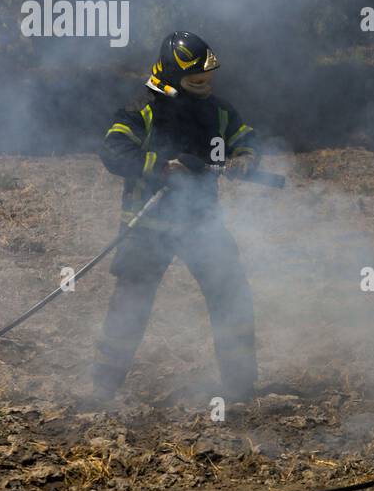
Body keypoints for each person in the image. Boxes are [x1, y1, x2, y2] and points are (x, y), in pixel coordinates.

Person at [91, 31, 260, 405]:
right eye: (195, 81)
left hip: (202, 226)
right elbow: (113, 151)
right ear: (171, 78)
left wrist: (246, 159)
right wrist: (163, 169)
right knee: (129, 308)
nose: (205, 87)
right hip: (147, 229)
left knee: (231, 295)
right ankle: (101, 391)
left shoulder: (219, 112)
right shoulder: (142, 109)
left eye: (207, 80)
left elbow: (246, 140)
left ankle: (241, 388)